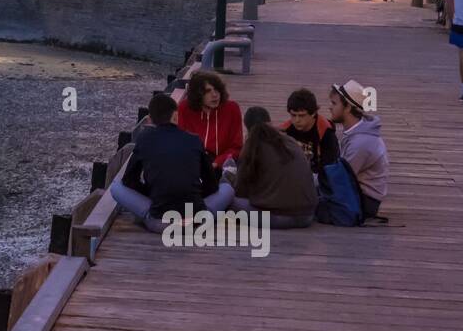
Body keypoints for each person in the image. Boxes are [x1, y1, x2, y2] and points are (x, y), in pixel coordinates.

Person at [110, 92, 235, 232]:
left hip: (160, 223)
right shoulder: (194, 140)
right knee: (227, 189)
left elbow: (129, 180)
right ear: (175, 116)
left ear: (149, 119)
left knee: (115, 187)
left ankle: (152, 210)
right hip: (196, 220)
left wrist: (152, 193)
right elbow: (211, 185)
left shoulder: (144, 138)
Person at [227, 106, 317, 228]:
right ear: (270, 122)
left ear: (247, 128)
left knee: (228, 198)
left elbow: (240, 191)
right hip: (307, 216)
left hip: (276, 217)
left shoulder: (252, 146)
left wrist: (229, 175)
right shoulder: (290, 141)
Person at [329, 80, 390, 219]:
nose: (330, 107)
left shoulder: (361, 142)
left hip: (363, 202)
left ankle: (266, 230)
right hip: (356, 194)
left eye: (334, 103)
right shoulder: (356, 133)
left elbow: (340, 179)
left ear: (348, 107)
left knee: (299, 202)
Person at [176, 71, 243, 170]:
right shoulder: (184, 108)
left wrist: (216, 163)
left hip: (222, 166)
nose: (215, 95)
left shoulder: (231, 109)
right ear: (197, 94)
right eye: (208, 91)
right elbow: (179, 142)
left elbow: (236, 147)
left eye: (217, 90)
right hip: (192, 164)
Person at [280, 87, 339, 179]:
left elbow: (331, 164)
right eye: (293, 115)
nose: (297, 120)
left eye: (301, 115)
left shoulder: (325, 132)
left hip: (319, 178)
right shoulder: (284, 131)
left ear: (313, 113)